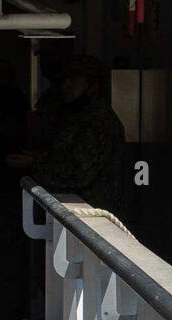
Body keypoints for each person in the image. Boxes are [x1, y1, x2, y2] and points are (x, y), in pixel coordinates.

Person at [9, 52, 126, 212]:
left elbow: (78, 174)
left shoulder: (99, 122)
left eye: (73, 80)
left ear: (93, 85)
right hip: (72, 210)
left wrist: (35, 164)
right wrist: (39, 158)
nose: (66, 85)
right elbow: (65, 157)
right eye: (64, 80)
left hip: (89, 214)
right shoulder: (77, 116)